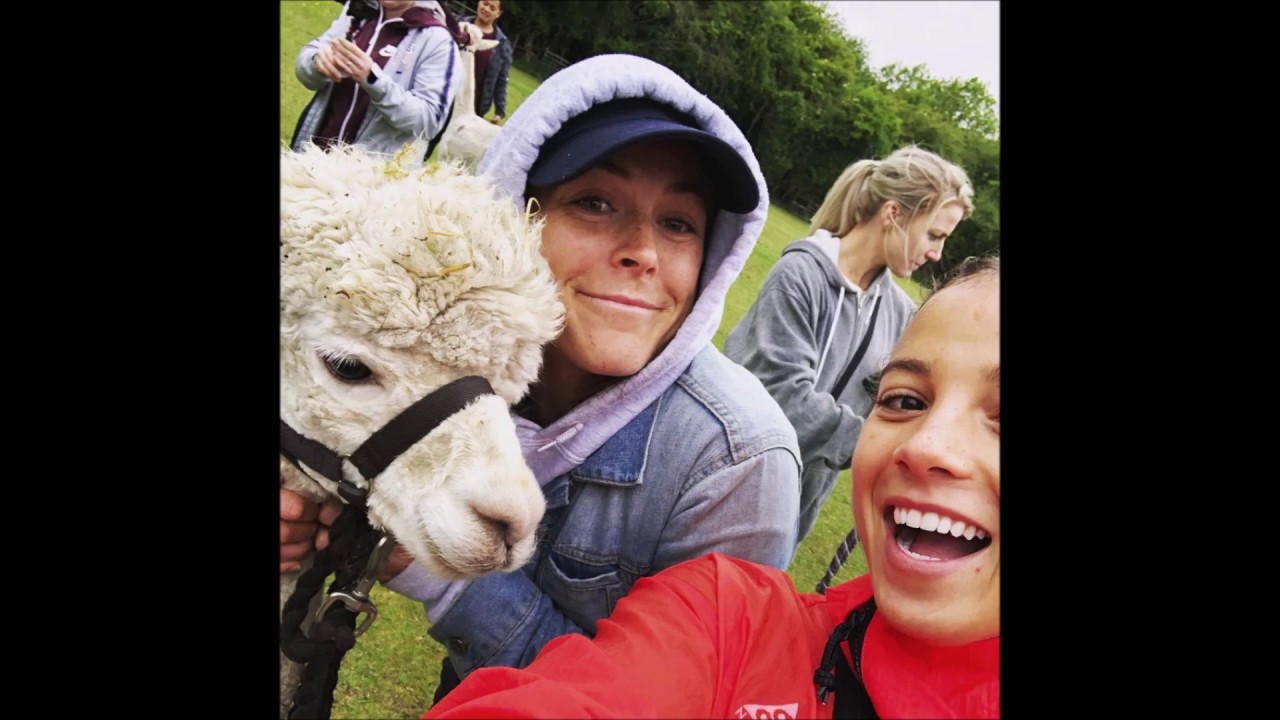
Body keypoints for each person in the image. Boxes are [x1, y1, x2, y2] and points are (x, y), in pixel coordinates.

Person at [280, 53, 803, 704]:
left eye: (677, 222)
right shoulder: (452, 349)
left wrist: (433, 575)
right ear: (514, 217)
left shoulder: (739, 464)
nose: (643, 249)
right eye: (595, 202)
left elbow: (667, 705)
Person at [423, 255, 1001, 720]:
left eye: (677, 224)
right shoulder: (730, 617)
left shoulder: (742, 455)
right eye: (904, 400)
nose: (924, 446)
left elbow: (787, 398)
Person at [724, 146, 974, 543]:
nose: (936, 253)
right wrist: (886, 446)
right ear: (893, 214)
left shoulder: (900, 313)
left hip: (794, 516)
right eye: (934, 235)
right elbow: (780, 397)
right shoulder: (800, 276)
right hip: (726, 492)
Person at [289, 1, 463, 158]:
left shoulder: (438, 41)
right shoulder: (358, 11)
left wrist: (373, 80)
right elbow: (305, 66)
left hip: (370, 184)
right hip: (312, 164)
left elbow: (429, 122)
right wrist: (317, 63)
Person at [460, 0, 511, 125]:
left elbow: (501, 79)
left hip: (473, 107)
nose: (487, 9)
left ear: (498, 13)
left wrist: (499, 111)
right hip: (445, 94)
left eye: (492, 8)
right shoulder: (459, 25)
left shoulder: (501, 43)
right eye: (485, 3)